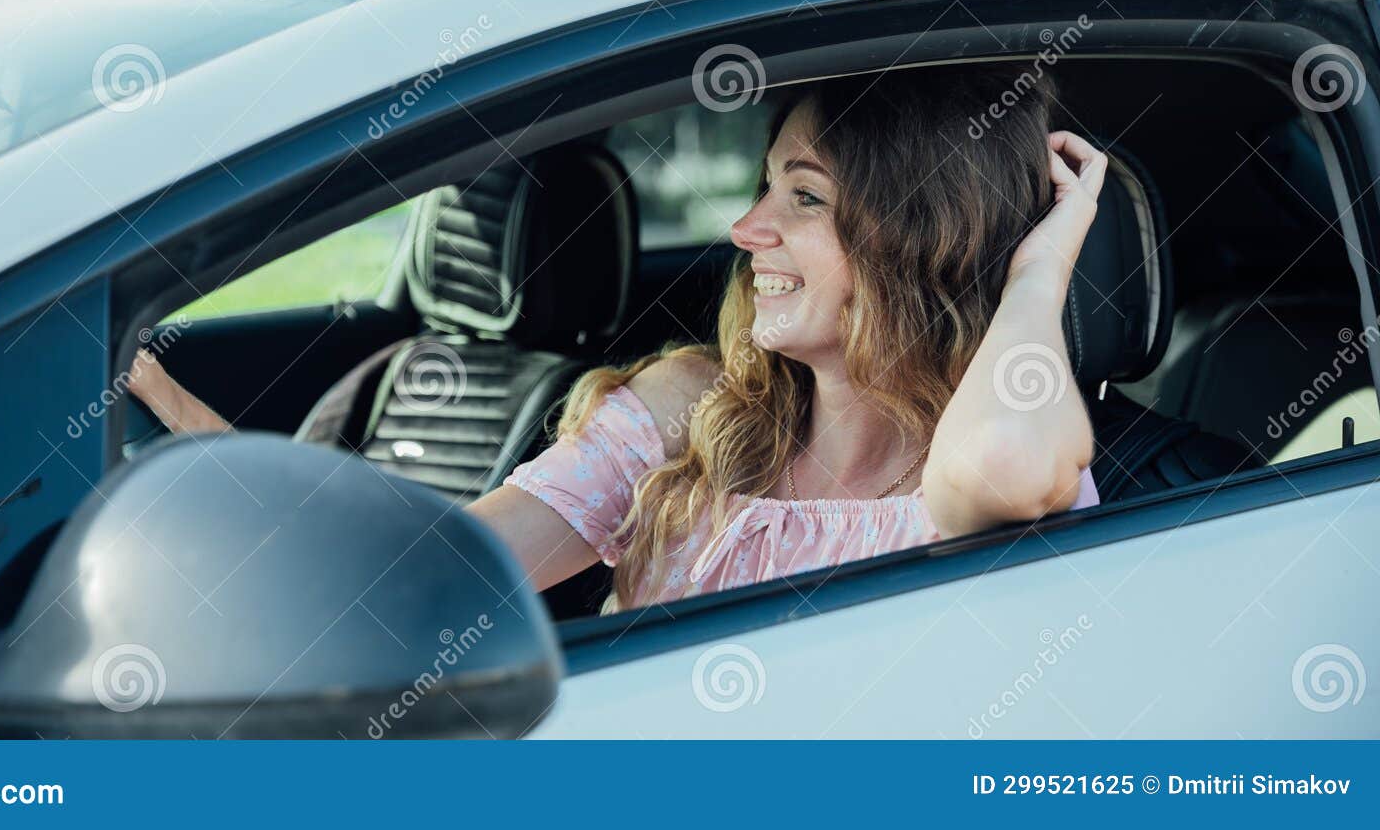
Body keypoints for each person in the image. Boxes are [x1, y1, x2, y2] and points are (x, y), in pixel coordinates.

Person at [132, 66, 1104, 614]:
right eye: (763, 184)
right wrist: (178, 416)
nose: (745, 228)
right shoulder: (691, 410)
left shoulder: (1003, 448)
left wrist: (1032, 271)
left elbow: (1003, 471)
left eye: (801, 197)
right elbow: (422, 574)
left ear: (922, 234)